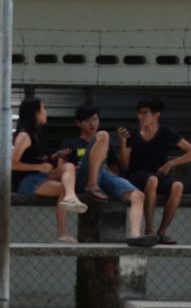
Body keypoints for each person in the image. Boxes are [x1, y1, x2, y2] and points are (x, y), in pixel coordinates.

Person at [56, 104, 158, 247]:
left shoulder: (107, 145)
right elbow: (61, 170)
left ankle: (136, 236)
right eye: (88, 120)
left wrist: (122, 143)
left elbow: (119, 169)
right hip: (81, 177)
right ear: (78, 123)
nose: (93, 124)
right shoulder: (70, 143)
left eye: (96, 119)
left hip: (103, 176)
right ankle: (91, 184)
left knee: (138, 195)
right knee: (103, 135)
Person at [116, 98, 191, 246]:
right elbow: (123, 166)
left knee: (178, 186)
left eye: (145, 113)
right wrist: (123, 143)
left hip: (159, 175)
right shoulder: (133, 133)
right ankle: (149, 230)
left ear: (156, 116)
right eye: (139, 113)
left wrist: (171, 163)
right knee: (152, 180)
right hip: (137, 176)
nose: (141, 117)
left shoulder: (167, 132)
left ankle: (161, 232)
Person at [11, 97, 87, 244]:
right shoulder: (24, 135)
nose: (46, 112)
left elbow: (34, 158)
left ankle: (70, 196)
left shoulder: (36, 133)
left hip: (39, 175)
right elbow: (12, 164)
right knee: (62, 189)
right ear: (35, 113)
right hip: (26, 181)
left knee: (69, 166)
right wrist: (38, 167)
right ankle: (61, 232)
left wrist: (54, 157)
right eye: (44, 109)